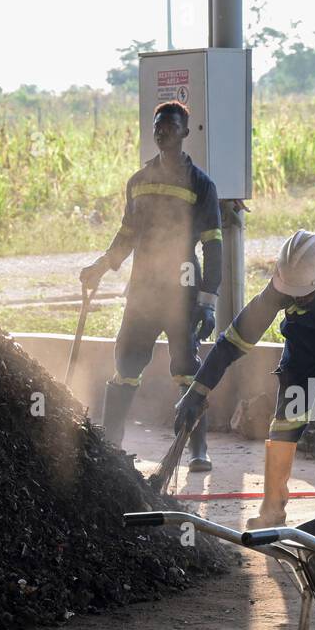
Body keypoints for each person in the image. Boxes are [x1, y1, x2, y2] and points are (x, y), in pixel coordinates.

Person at [174, 230, 315, 528]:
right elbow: (234, 341)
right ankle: (272, 512)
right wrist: (198, 390)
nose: (294, 296)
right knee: (287, 419)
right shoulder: (281, 288)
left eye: (301, 294)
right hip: (307, 341)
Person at [79, 100, 222, 470]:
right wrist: (99, 267)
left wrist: (208, 301)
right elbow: (125, 235)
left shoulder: (201, 185)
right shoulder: (138, 182)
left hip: (182, 293)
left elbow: (213, 246)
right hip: (142, 291)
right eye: (158, 127)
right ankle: (111, 445)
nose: (162, 132)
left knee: (186, 369)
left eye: (170, 127)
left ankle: (197, 450)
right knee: (126, 364)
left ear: (185, 133)